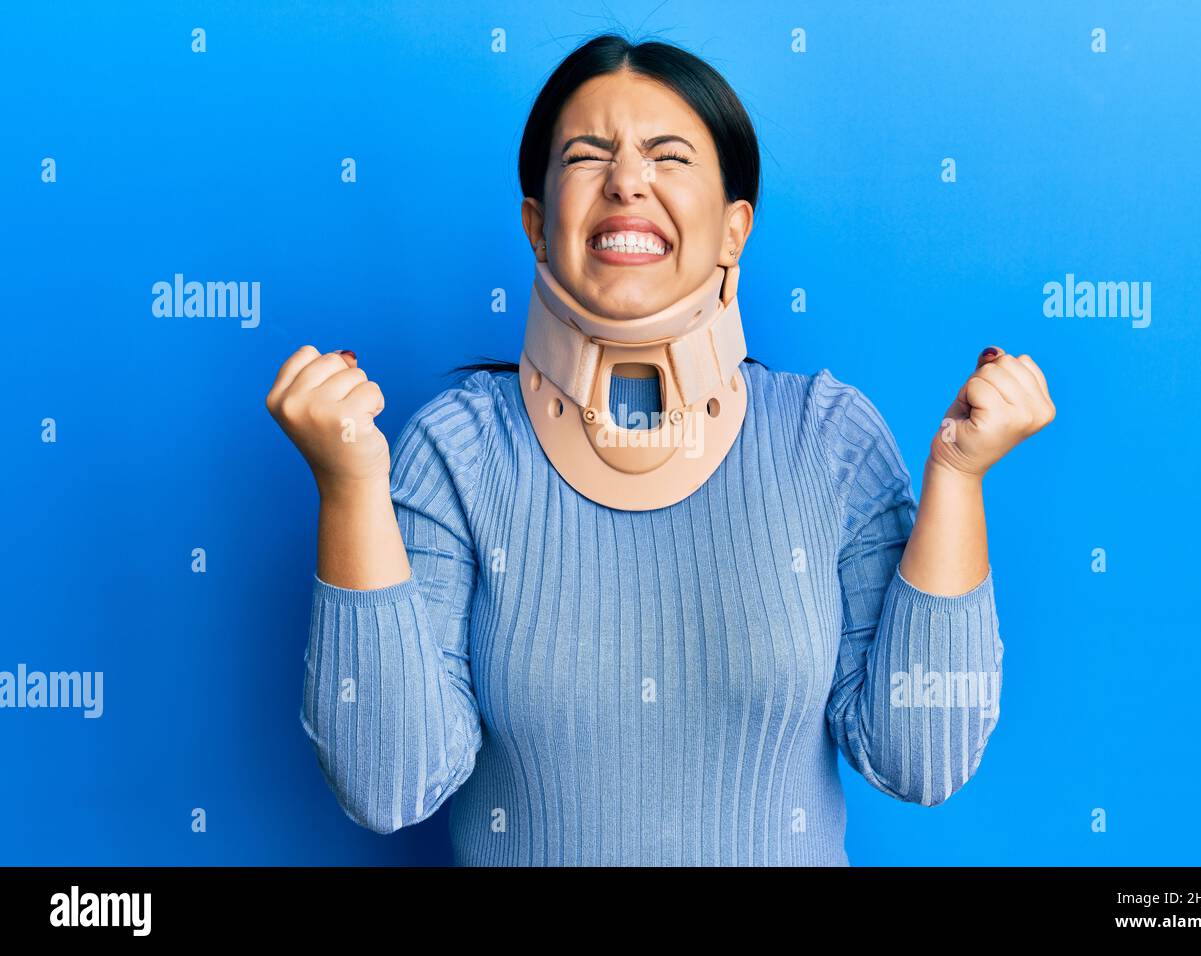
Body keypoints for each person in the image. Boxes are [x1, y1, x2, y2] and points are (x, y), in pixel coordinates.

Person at [265, 33, 1055, 866]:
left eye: (669, 156)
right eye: (587, 155)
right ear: (538, 225)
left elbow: (919, 762)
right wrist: (349, 486)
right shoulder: (457, 449)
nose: (627, 180)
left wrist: (959, 479)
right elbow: (388, 784)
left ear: (732, 230)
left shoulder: (828, 439)